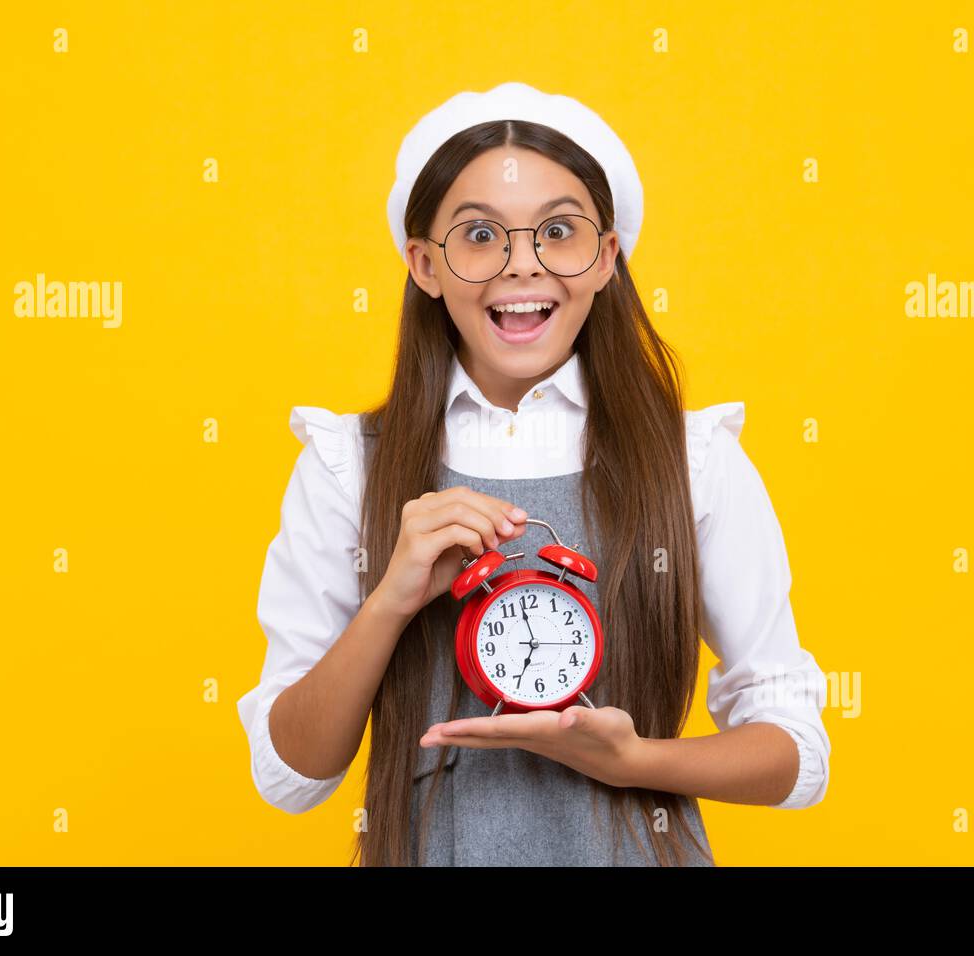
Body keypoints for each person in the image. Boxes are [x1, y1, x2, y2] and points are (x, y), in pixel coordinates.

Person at [236, 81, 830, 866]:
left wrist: (634, 762)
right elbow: (291, 776)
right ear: (424, 264)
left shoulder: (692, 459)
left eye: (558, 230)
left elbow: (795, 750)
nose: (523, 267)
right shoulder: (350, 464)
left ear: (606, 257)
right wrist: (391, 600)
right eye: (479, 235)